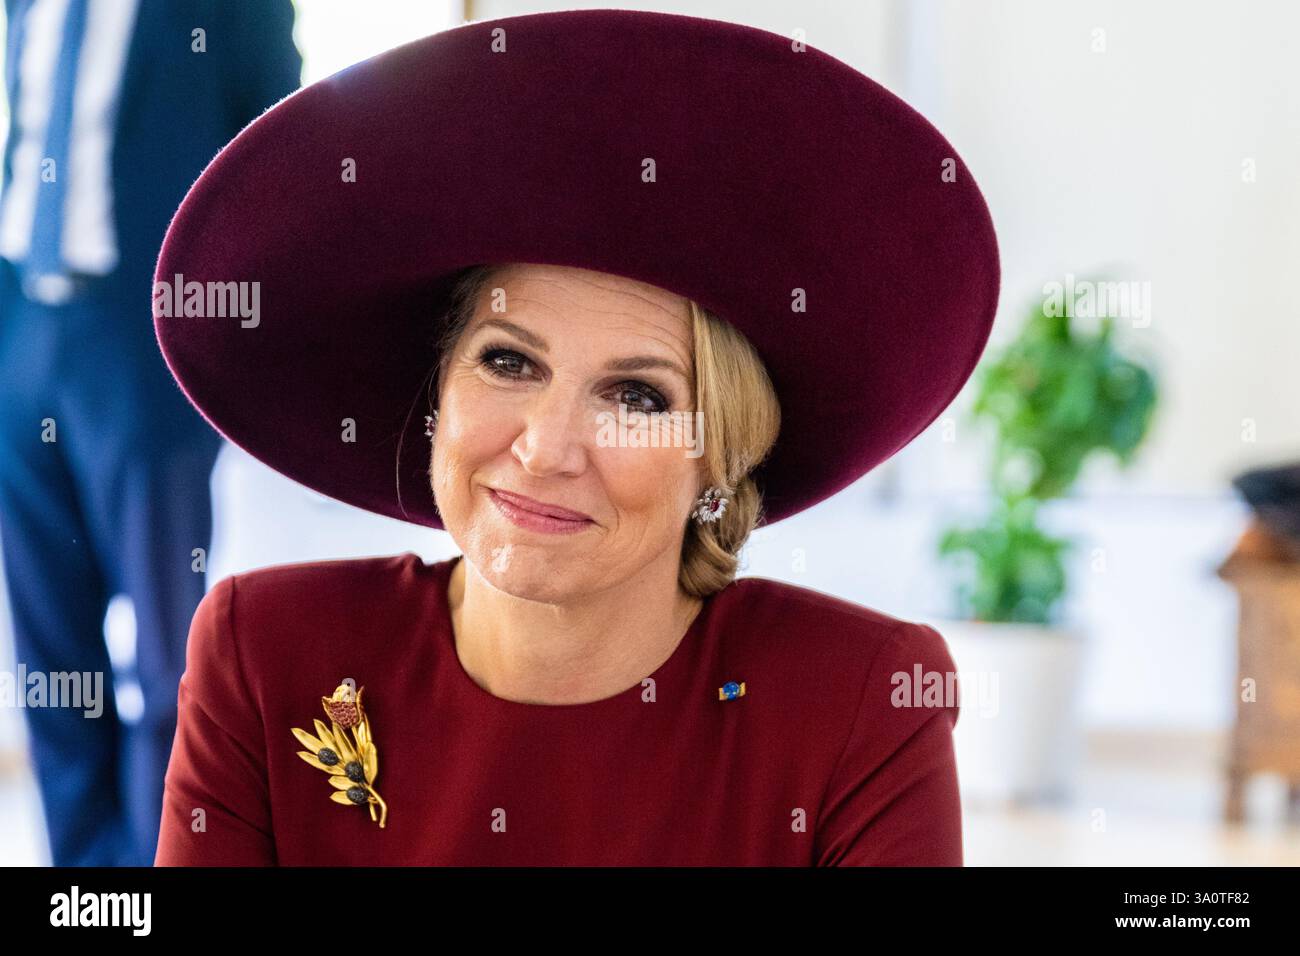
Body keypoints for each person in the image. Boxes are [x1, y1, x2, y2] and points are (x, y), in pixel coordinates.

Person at [151, 9, 1000, 866]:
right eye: (509, 361)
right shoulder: (263, 651)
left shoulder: (863, 699)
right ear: (438, 386)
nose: (547, 448)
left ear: (724, 454)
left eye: (635, 395)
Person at [0, 0, 300, 866]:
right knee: (51, 660)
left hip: (146, 346)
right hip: (25, 326)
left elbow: (270, 165)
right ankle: (84, 889)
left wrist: (229, 341)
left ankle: (153, 874)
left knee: (171, 660)